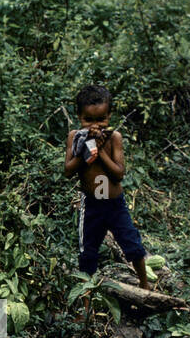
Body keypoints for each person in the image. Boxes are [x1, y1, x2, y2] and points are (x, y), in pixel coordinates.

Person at [63, 84, 151, 290]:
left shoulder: (114, 138)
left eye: (101, 119)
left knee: (133, 245)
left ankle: (145, 286)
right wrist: (86, 149)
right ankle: (85, 297)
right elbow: (68, 171)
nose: (95, 125)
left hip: (114, 204)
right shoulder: (75, 137)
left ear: (109, 115)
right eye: (88, 120)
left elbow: (119, 174)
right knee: (88, 253)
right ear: (79, 116)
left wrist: (100, 151)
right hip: (92, 204)